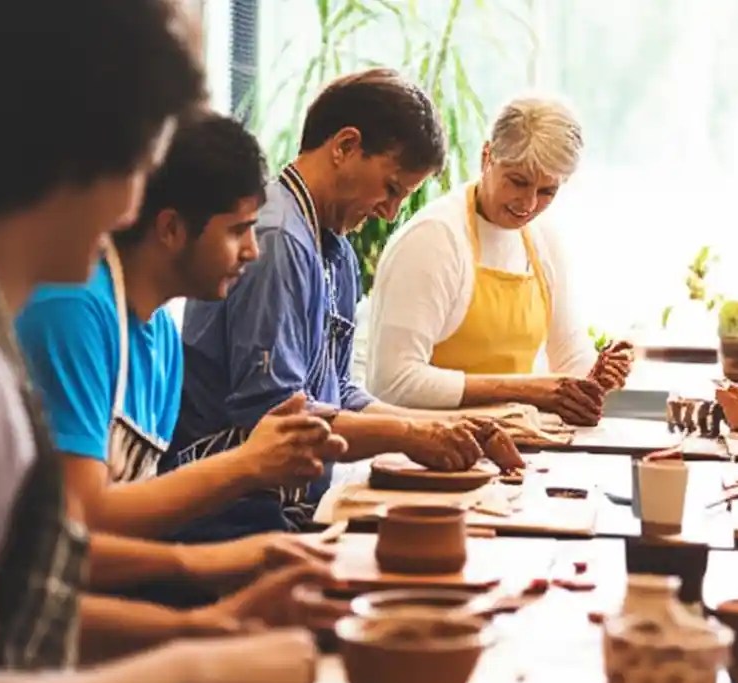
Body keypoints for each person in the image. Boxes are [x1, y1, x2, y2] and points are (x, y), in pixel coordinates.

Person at [0, 0, 315, 683]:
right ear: (77, 155)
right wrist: (193, 669)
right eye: (142, 162)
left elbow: (21, 596)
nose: (132, 208)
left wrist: (202, 629)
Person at [16, 112, 346, 652]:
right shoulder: (75, 310)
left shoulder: (163, 341)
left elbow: (141, 511)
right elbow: (77, 529)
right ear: (170, 229)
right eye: (238, 230)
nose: (253, 251)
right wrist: (244, 469)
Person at [170, 68, 521, 543]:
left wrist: (446, 427)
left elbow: (340, 396)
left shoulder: (334, 248)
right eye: (392, 188)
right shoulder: (277, 240)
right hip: (228, 509)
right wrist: (411, 437)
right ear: (344, 147)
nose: (390, 211)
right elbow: (278, 420)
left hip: (295, 500)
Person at [363, 96, 632, 424]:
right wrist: (528, 391)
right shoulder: (433, 239)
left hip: (511, 444)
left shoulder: (543, 239)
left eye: (548, 191)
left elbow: (570, 356)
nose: (529, 204)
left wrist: (600, 377)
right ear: (487, 157)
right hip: (425, 453)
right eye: (518, 182)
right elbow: (392, 383)